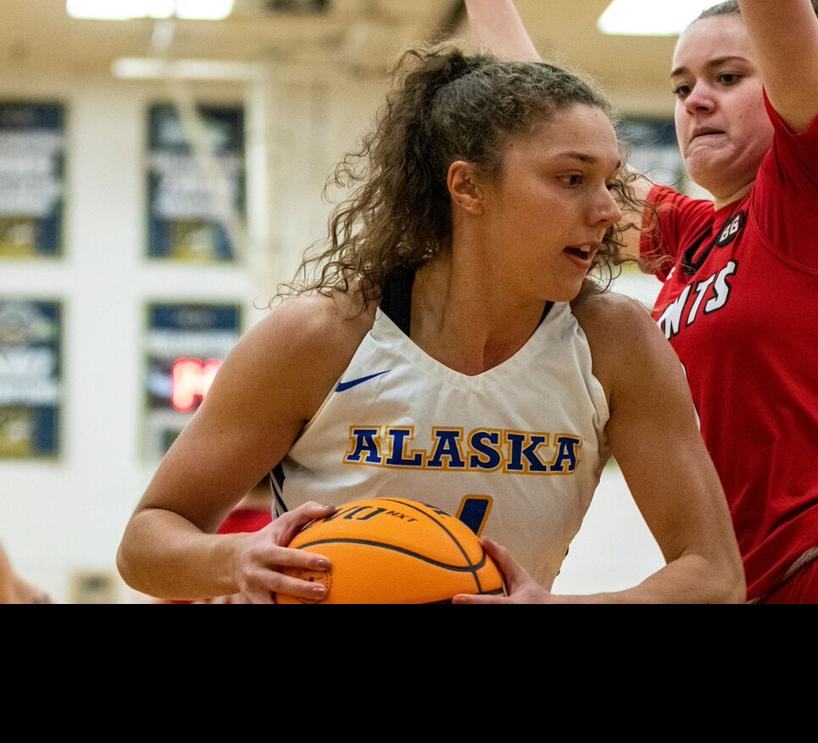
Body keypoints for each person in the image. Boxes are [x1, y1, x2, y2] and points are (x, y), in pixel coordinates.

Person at [116, 47, 744, 604]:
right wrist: (235, 558)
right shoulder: (323, 337)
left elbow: (714, 574)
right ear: (467, 187)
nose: (608, 209)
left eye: (608, 181)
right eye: (572, 178)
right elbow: (147, 542)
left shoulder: (617, 344)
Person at [465, 0, 818, 603]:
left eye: (727, 78)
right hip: (752, 587)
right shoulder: (693, 237)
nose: (696, 100)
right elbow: (539, 123)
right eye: (682, 87)